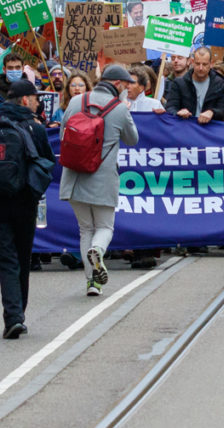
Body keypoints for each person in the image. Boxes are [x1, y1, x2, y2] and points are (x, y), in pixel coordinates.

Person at [0, 78, 55, 339]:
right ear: (24, 100)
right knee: (22, 257)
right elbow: (48, 163)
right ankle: (18, 314)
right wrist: (33, 190)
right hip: (24, 202)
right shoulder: (35, 128)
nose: (37, 102)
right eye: (35, 98)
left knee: (6, 260)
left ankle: (12, 317)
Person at [59, 65, 138, 297]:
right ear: (116, 84)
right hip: (102, 177)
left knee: (85, 229)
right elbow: (132, 140)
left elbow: (64, 130)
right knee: (104, 227)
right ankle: (98, 250)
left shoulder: (76, 102)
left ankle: (92, 282)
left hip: (73, 175)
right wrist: (126, 113)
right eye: (125, 85)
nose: (126, 89)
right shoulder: (119, 108)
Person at [164, 48, 224, 123]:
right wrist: (178, 112)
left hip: (209, 129)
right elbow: (170, 107)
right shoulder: (179, 83)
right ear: (192, 62)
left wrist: (212, 112)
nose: (201, 68)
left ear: (211, 64)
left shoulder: (220, 84)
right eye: (198, 64)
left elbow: (223, 110)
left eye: (204, 64)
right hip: (185, 126)